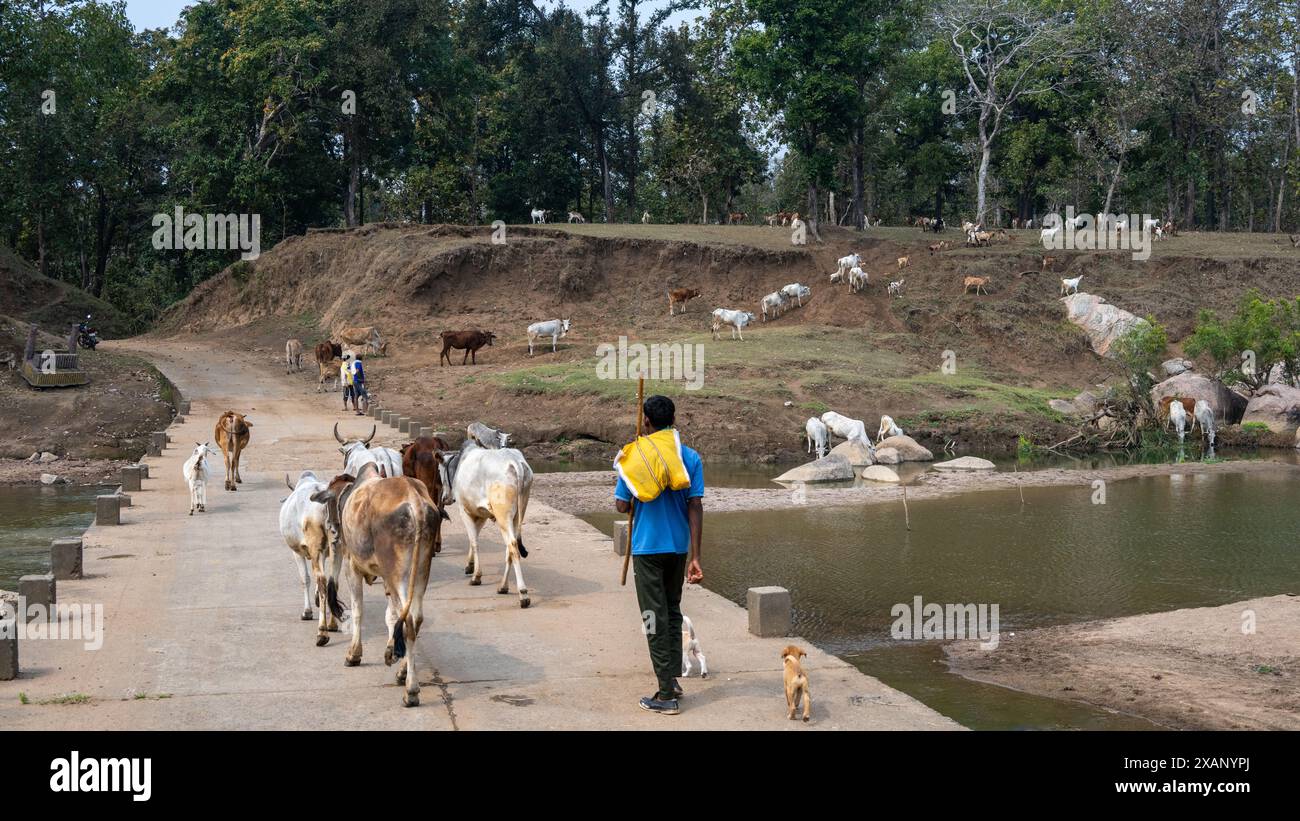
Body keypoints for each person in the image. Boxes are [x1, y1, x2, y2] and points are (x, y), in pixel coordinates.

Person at [614, 395, 704, 716]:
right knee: (671, 610)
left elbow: (623, 505)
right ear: (673, 421)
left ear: (646, 423)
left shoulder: (633, 456)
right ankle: (672, 678)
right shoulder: (689, 457)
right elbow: (695, 505)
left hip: (648, 550)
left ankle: (666, 695)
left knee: (653, 618)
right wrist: (696, 556)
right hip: (679, 548)